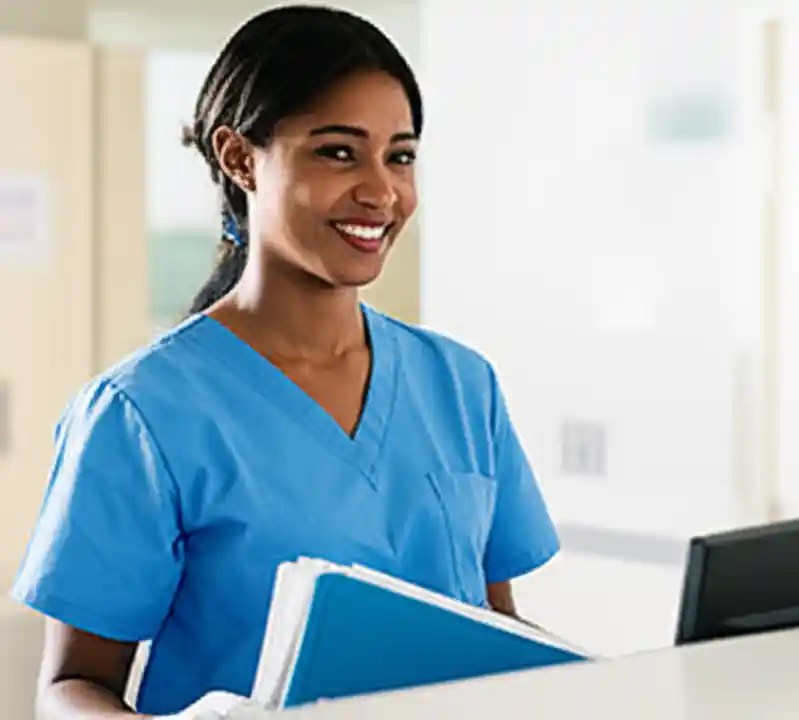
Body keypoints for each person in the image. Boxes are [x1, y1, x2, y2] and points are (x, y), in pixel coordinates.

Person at [10, 5, 560, 718]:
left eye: (400, 155)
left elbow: (496, 634)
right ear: (240, 157)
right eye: (338, 151)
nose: (381, 191)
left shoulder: (460, 386)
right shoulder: (144, 413)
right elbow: (69, 687)